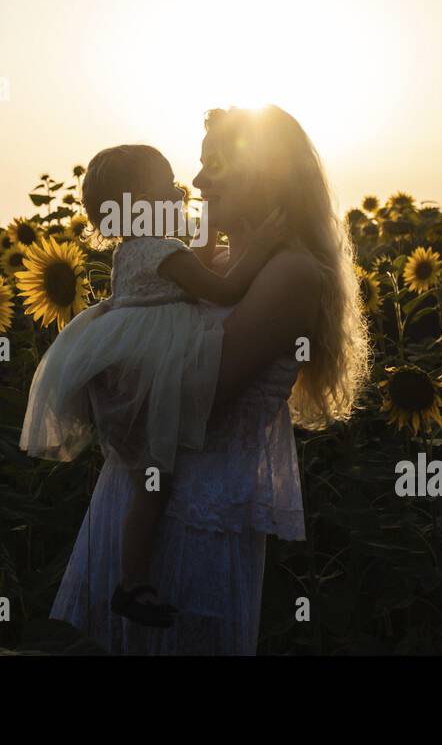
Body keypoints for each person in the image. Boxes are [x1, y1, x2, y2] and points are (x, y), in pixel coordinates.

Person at [49, 105, 370, 653]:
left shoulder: (288, 271)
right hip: (145, 503)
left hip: (192, 518)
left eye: (214, 164)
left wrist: (118, 388)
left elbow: (203, 394)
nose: (195, 182)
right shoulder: (214, 258)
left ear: (265, 172)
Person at [20, 143, 287, 626]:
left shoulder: (135, 249)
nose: (181, 186)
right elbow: (222, 288)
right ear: (144, 198)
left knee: (148, 472)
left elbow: (198, 261)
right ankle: (133, 582)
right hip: (160, 369)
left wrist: (207, 219)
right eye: (169, 183)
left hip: (135, 365)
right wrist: (263, 249)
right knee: (156, 475)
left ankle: (132, 579)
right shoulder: (163, 251)